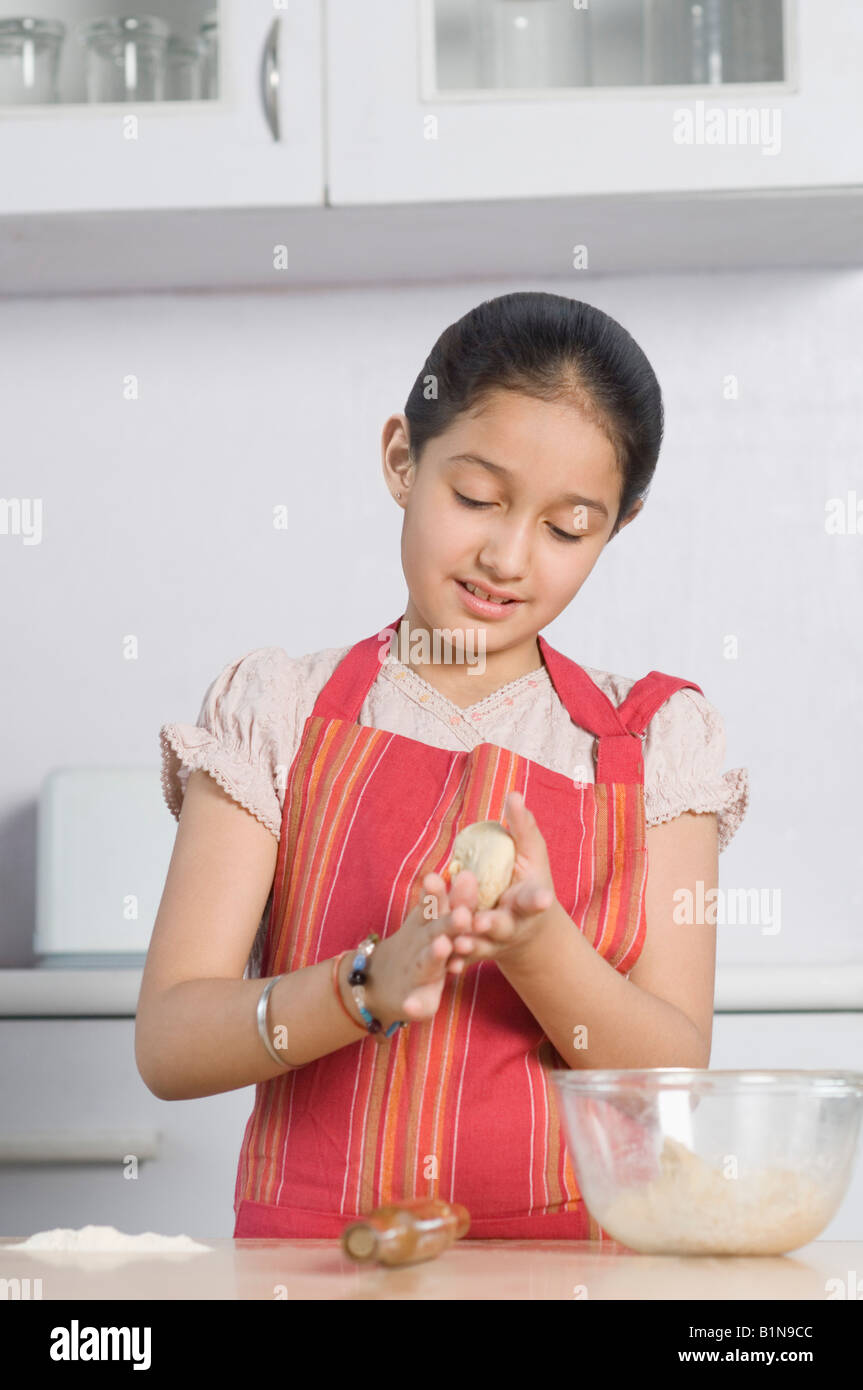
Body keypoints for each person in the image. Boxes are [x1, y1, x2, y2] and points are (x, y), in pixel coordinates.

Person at [137, 291, 749, 1240]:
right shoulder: (279, 712)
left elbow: (673, 1077)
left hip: (561, 1270)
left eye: (566, 527)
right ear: (400, 459)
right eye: (476, 499)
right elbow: (172, 1044)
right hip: (310, 1264)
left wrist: (536, 947)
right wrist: (365, 986)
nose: (507, 557)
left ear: (616, 528)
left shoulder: (652, 744)